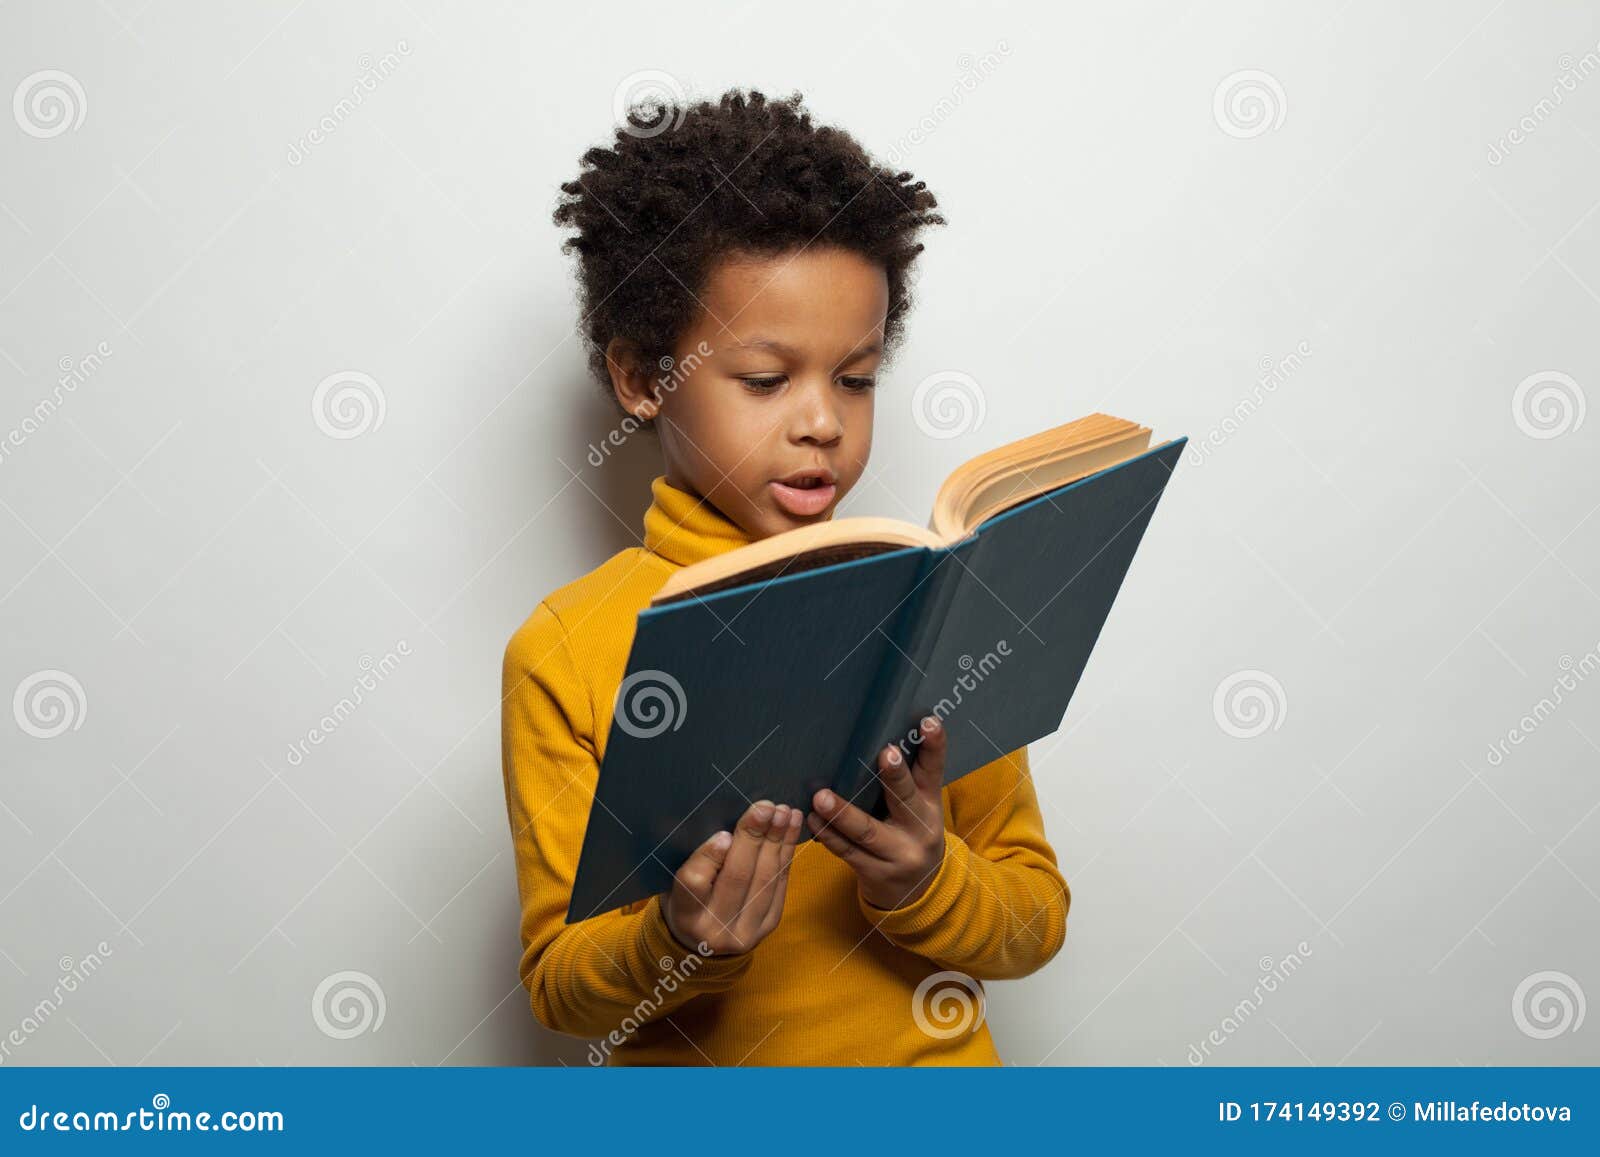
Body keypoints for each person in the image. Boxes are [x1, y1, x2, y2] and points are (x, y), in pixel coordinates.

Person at [501, 88, 1069, 1065]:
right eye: (766, 379)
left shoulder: (933, 605)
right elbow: (561, 986)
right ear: (643, 378)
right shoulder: (563, 649)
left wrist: (927, 878)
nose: (822, 422)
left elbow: (1034, 916)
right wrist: (674, 939)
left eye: (855, 377)